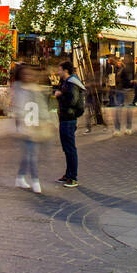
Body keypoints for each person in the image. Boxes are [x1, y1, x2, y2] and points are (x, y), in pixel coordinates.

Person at [12, 62, 54, 193]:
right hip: (26, 126)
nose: (28, 76)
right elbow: (18, 108)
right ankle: (35, 181)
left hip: (36, 125)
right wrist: (19, 126)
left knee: (28, 155)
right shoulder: (19, 89)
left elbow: (41, 107)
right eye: (25, 74)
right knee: (32, 155)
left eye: (30, 74)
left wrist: (47, 120)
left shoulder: (35, 89)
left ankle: (20, 177)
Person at [53, 59, 85, 187]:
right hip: (65, 118)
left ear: (65, 71)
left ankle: (73, 177)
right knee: (67, 148)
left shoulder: (72, 83)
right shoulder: (67, 82)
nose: (58, 72)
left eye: (60, 70)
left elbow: (72, 101)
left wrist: (60, 95)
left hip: (69, 119)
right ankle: (68, 174)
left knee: (70, 149)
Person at [110, 56, 134, 136]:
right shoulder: (117, 69)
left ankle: (127, 128)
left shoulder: (127, 69)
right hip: (120, 90)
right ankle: (119, 129)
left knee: (127, 110)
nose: (118, 63)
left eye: (119, 62)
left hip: (127, 90)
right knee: (118, 110)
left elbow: (129, 79)